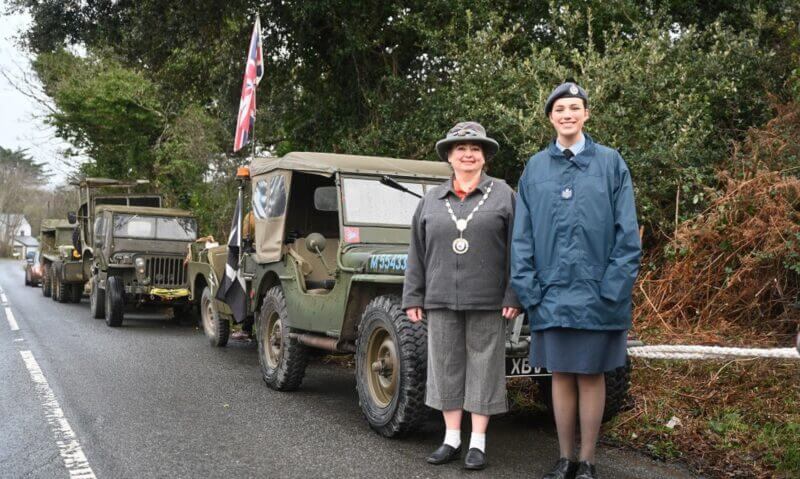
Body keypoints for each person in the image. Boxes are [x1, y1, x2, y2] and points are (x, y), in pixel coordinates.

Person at [511, 83, 641, 479]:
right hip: (550, 296)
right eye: (559, 109)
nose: (567, 114)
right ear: (550, 117)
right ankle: (564, 457)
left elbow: (628, 235)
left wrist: (613, 290)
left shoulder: (611, 163)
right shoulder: (534, 168)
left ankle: (587, 461)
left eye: (574, 108)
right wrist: (530, 291)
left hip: (599, 297)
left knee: (591, 374)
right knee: (561, 374)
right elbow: (522, 237)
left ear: (586, 114)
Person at [403, 121, 521, 471]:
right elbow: (417, 251)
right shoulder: (431, 199)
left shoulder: (503, 194)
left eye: (475, 149)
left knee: (485, 368)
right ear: (450, 157)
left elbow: (519, 248)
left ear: (485, 157)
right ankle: (451, 438)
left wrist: (514, 293)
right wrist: (414, 296)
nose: (468, 154)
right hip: (439, 299)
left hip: (488, 300)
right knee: (445, 367)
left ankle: (478, 443)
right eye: (460, 149)